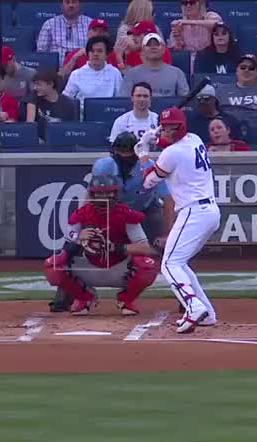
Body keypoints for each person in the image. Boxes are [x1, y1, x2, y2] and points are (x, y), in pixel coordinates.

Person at [140, 107, 220, 333]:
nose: (165, 130)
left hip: (193, 212)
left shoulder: (171, 153)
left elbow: (148, 181)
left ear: (180, 127)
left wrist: (144, 152)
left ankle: (193, 307)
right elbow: (171, 149)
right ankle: (206, 313)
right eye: (163, 127)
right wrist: (158, 139)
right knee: (179, 262)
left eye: (169, 127)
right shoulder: (194, 139)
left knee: (169, 264)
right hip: (209, 211)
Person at [42, 173, 160, 316]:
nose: (104, 197)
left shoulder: (126, 214)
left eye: (108, 193)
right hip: (89, 265)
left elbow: (145, 248)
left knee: (147, 265)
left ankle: (126, 299)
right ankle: (83, 297)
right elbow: (69, 236)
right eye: (100, 193)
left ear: (115, 194)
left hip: (120, 266)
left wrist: (115, 247)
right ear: (92, 195)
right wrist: (79, 237)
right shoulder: (82, 213)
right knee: (53, 265)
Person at [119, 33, 188, 97]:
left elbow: (186, 101)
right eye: (149, 45)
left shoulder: (177, 73)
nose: (153, 47)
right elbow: (125, 100)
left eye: (157, 44)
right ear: (142, 50)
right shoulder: (132, 74)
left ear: (163, 48)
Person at [62, 36, 122, 102]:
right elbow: (66, 99)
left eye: (100, 51)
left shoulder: (115, 73)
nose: (95, 54)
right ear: (88, 54)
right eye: (92, 51)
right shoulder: (76, 74)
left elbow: (120, 99)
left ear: (106, 54)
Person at [26, 68, 77, 140]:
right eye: (35, 84)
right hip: (38, 144)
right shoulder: (34, 96)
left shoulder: (68, 104)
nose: (35, 88)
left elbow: (71, 130)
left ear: (51, 84)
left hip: (60, 142)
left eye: (38, 85)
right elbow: (30, 126)